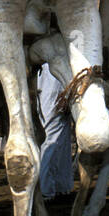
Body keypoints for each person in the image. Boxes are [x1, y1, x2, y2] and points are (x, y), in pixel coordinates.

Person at [36, 64, 75, 200]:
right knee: (51, 133)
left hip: (49, 74)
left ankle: (61, 186)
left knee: (61, 133)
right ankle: (46, 188)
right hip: (54, 75)